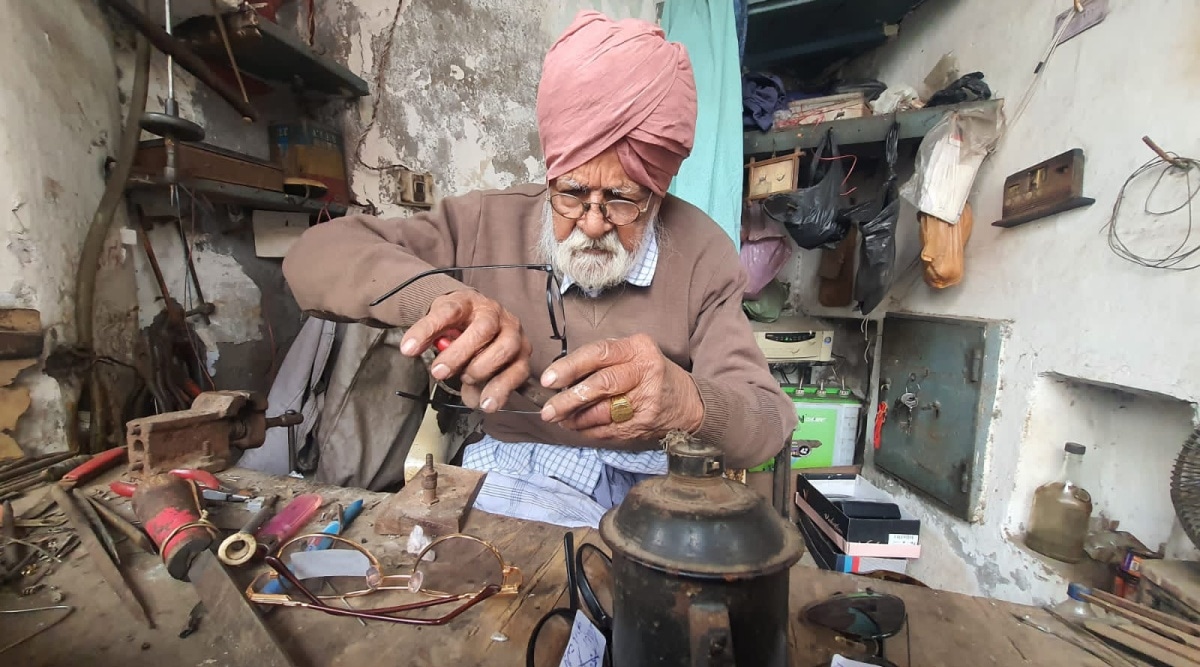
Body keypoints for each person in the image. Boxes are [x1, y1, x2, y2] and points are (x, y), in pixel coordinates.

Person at [282, 10, 797, 526]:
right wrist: (436, 299)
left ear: (658, 193)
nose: (592, 225)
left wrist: (688, 401)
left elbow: (768, 422)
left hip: (655, 488)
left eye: (622, 200)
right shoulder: (486, 220)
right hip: (517, 477)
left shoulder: (702, 251)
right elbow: (314, 255)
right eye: (571, 193)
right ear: (552, 172)